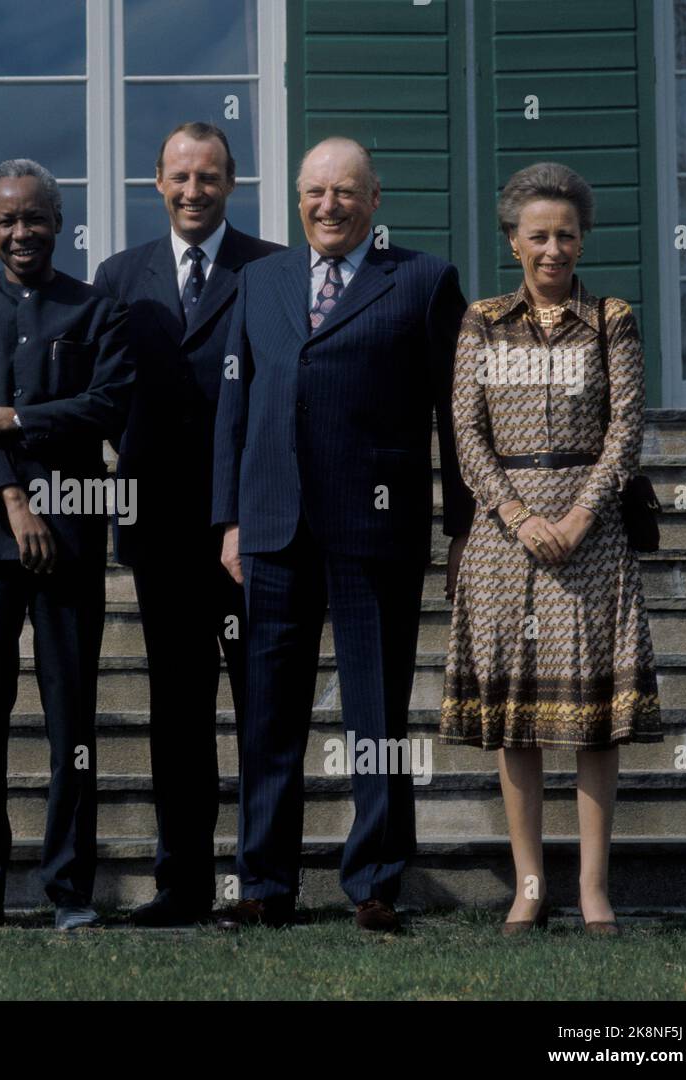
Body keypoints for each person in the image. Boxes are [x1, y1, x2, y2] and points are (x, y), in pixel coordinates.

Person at [212, 137, 473, 932]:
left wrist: (461, 526)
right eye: (316, 192)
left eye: (346, 193)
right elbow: (235, 405)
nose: (330, 206)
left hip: (377, 532)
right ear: (298, 200)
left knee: (376, 716)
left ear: (375, 201)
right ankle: (263, 884)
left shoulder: (424, 282)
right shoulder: (261, 281)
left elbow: (455, 416)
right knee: (267, 715)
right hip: (272, 528)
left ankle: (376, 882)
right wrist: (228, 518)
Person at [441, 162, 661, 937]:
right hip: (505, 541)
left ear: (582, 238)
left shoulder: (612, 319)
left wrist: (577, 517)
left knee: (595, 718)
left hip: (591, 539)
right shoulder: (481, 321)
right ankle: (530, 885)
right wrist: (511, 510)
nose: (553, 249)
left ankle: (595, 890)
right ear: (512, 241)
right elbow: (465, 430)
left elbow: (625, 425)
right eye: (538, 235)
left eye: (566, 234)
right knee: (520, 722)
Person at [0, 158, 135, 931]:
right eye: (8, 221)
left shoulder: (96, 310)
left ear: (58, 223)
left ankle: (69, 889)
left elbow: (106, 406)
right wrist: (16, 498)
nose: (23, 232)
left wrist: (12, 418)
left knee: (70, 717)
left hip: (73, 534)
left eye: (35, 218)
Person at [92, 122, 285, 926]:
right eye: (179, 177)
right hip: (162, 530)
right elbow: (104, 394)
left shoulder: (272, 269)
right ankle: (183, 887)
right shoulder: (118, 275)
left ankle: (267, 886)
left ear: (230, 184)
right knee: (177, 712)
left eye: (208, 177)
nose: (193, 191)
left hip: (253, 526)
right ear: (157, 183)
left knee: (262, 709)